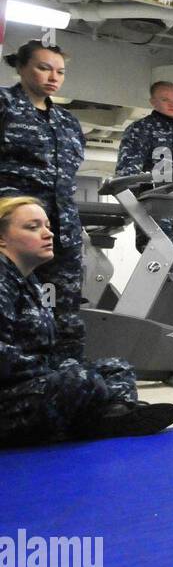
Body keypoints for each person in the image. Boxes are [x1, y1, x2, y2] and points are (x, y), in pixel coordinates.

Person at [0, 197, 173, 444]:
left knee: (116, 367)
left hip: (29, 385)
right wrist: (56, 370)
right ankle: (100, 419)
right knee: (80, 380)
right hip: (8, 396)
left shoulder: (29, 281)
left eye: (48, 226)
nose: (48, 234)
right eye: (33, 227)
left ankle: (112, 416)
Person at [0, 40, 86, 359]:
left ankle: (68, 379)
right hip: (14, 229)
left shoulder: (68, 123)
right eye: (44, 67)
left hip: (61, 230)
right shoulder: (5, 104)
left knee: (66, 314)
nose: (53, 77)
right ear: (22, 67)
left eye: (60, 71)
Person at [114, 53, 173, 277]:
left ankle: (165, 305)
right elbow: (127, 172)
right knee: (157, 258)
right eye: (165, 99)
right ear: (153, 102)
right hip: (154, 203)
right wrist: (137, 204)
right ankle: (152, 306)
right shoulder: (140, 129)